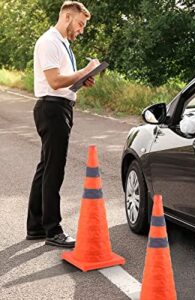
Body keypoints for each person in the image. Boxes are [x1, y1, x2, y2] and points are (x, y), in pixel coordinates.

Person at [26, 1, 99, 248]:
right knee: (54, 170)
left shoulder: (63, 44)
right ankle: (53, 230)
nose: (81, 30)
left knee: (46, 167)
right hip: (52, 108)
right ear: (67, 17)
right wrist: (86, 69)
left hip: (59, 107)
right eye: (80, 24)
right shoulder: (49, 41)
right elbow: (55, 81)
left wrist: (82, 79)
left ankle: (35, 227)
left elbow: (65, 80)